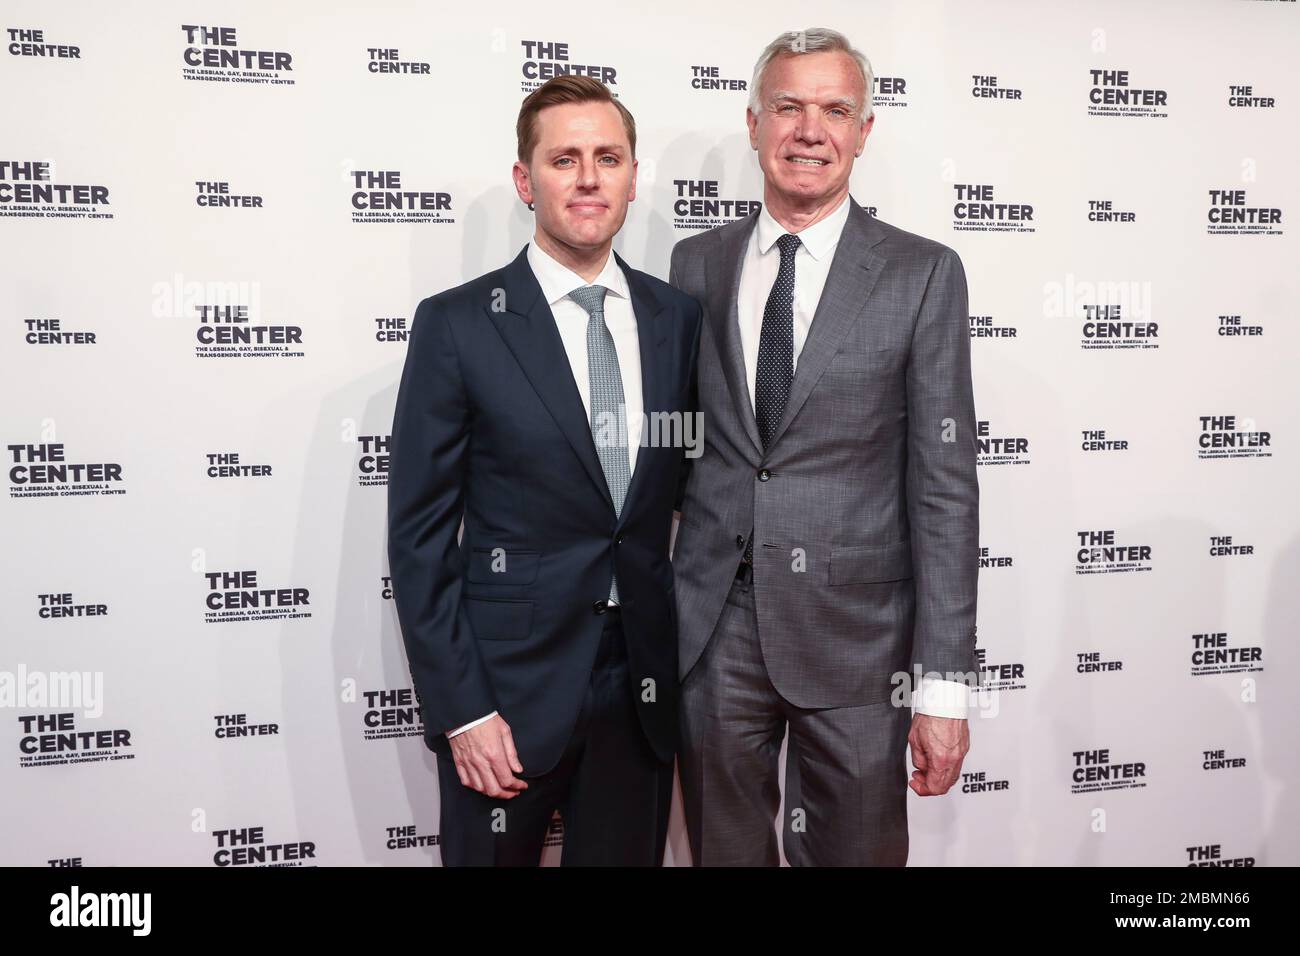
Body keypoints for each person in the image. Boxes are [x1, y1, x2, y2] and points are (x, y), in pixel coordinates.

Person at [669, 27, 981, 866]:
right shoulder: (694, 264)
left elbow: (945, 491)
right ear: (753, 122)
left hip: (860, 647)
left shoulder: (923, 274)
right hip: (714, 637)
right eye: (789, 107)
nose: (811, 131)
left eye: (836, 110)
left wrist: (944, 686)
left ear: (865, 131)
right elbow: (685, 444)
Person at [387, 75, 701, 866]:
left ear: (633, 177)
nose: (589, 177)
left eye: (609, 157)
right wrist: (461, 711)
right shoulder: (458, 324)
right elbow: (419, 539)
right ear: (527, 182)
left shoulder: (677, 320)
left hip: (642, 692)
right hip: (505, 698)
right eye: (565, 159)